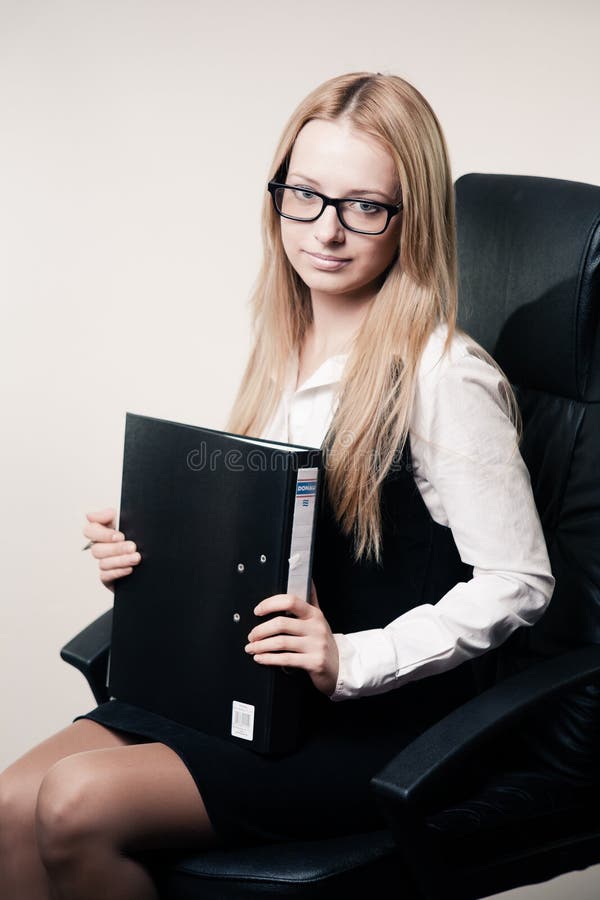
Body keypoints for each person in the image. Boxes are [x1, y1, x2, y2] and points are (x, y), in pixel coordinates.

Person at [0, 71, 555, 900]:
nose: (326, 232)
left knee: (77, 805)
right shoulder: (282, 347)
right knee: (11, 804)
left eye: (365, 206)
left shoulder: (444, 376)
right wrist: (153, 550)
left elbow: (521, 583)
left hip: (367, 720)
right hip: (253, 689)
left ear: (415, 219)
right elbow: (275, 539)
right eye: (306, 195)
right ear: (279, 195)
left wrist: (350, 659)